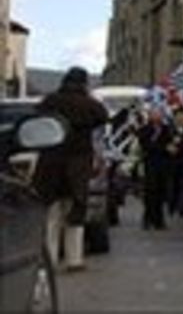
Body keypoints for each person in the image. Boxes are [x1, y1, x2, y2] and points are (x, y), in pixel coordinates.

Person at [32, 67, 109, 272]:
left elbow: (37, 115)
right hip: (78, 166)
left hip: (51, 163)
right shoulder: (89, 105)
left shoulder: (50, 101)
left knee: (52, 215)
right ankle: (74, 259)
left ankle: (50, 258)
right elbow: (103, 116)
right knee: (75, 212)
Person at [138, 107, 176, 230]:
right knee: (150, 192)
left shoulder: (166, 129)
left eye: (158, 114)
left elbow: (171, 143)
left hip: (163, 165)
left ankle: (159, 220)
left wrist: (168, 148)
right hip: (150, 164)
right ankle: (148, 219)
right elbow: (145, 145)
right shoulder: (144, 130)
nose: (156, 117)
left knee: (161, 192)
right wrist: (162, 147)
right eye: (154, 114)